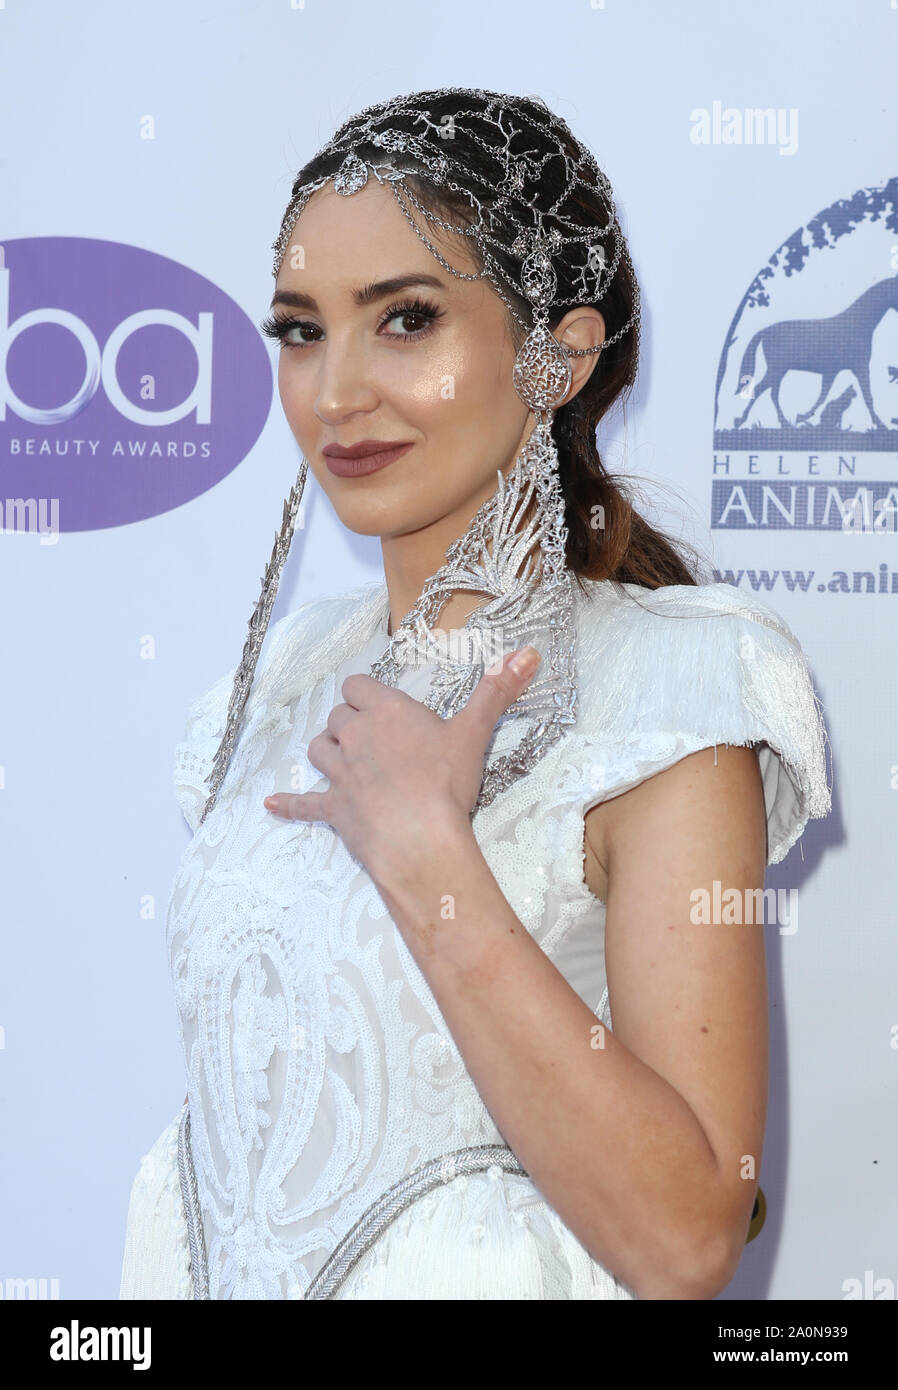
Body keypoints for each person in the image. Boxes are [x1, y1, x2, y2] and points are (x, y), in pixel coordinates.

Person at [119, 88, 831, 1301]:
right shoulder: (282, 679)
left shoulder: (672, 687)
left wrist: (430, 859)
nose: (336, 390)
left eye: (405, 318)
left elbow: (688, 1241)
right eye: (301, 329)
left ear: (561, 351)